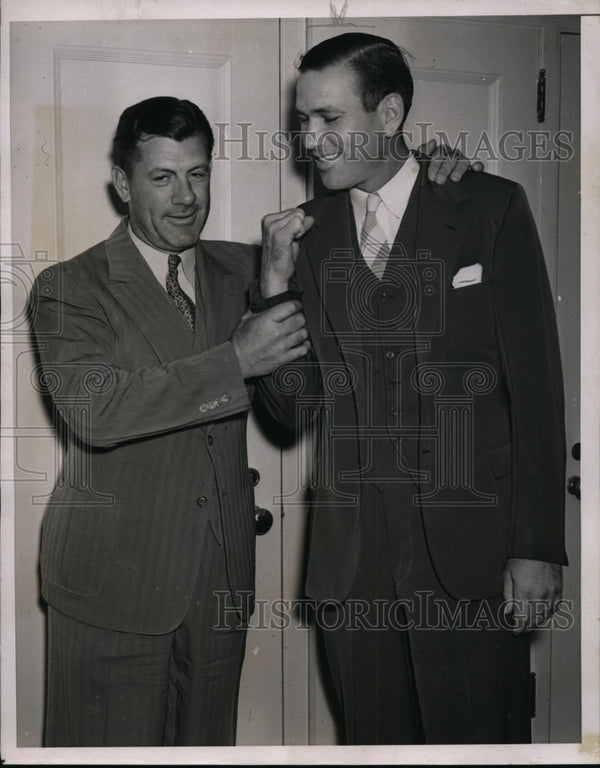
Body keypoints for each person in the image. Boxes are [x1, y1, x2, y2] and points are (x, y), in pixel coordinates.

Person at [256, 33, 566, 744]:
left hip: (473, 560)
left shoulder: (488, 207)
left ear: (390, 113)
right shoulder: (307, 239)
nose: (311, 140)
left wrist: (538, 546)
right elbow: (291, 412)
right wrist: (272, 287)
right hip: (352, 568)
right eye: (304, 120)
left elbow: (538, 395)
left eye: (330, 118)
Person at [30, 96, 311, 747]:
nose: (186, 197)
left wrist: (275, 287)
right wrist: (235, 359)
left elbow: (295, 411)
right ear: (123, 183)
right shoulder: (70, 286)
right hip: (112, 586)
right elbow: (97, 411)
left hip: (218, 586)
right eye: (162, 177)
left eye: (198, 174)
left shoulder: (245, 270)